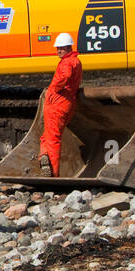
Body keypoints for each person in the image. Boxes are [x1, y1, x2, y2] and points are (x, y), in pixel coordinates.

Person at [39, 32, 83, 177]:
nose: (58, 50)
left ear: (68, 48)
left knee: (52, 139)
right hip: (67, 102)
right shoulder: (75, 61)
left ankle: (53, 175)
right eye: (58, 48)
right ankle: (44, 157)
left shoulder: (67, 62)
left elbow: (65, 76)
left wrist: (54, 89)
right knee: (48, 136)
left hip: (58, 103)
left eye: (61, 48)